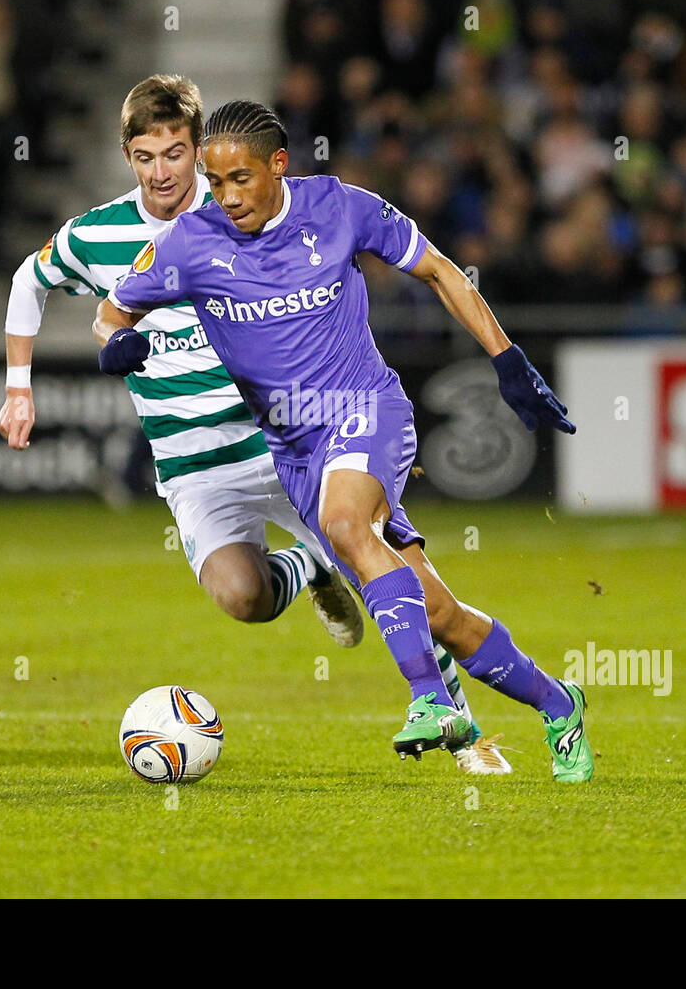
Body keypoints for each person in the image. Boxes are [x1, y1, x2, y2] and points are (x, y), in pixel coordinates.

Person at [0, 75, 510, 774]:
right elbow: (31, 278)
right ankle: (307, 566)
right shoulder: (98, 234)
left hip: (284, 444)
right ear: (127, 155)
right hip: (192, 464)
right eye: (147, 157)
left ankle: (468, 735)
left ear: (198, 148)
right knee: (242, 597)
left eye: (177, 153)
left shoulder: (243, 210)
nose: (164, 171)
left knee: (405, 584)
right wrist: (19, 387)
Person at [95, 100, 592, 781]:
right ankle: (561, 703)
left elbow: (441, 269)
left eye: (240, 178)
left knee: (341, 520)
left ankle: (431, 701)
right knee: (438, 610)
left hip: (367, 408)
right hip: (295, 450)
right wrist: (116, 341)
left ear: (278, 165)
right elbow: (112, 308)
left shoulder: (342, 208)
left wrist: (507, 359)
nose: (226, 196)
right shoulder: (191, 241)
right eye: (214, 182)